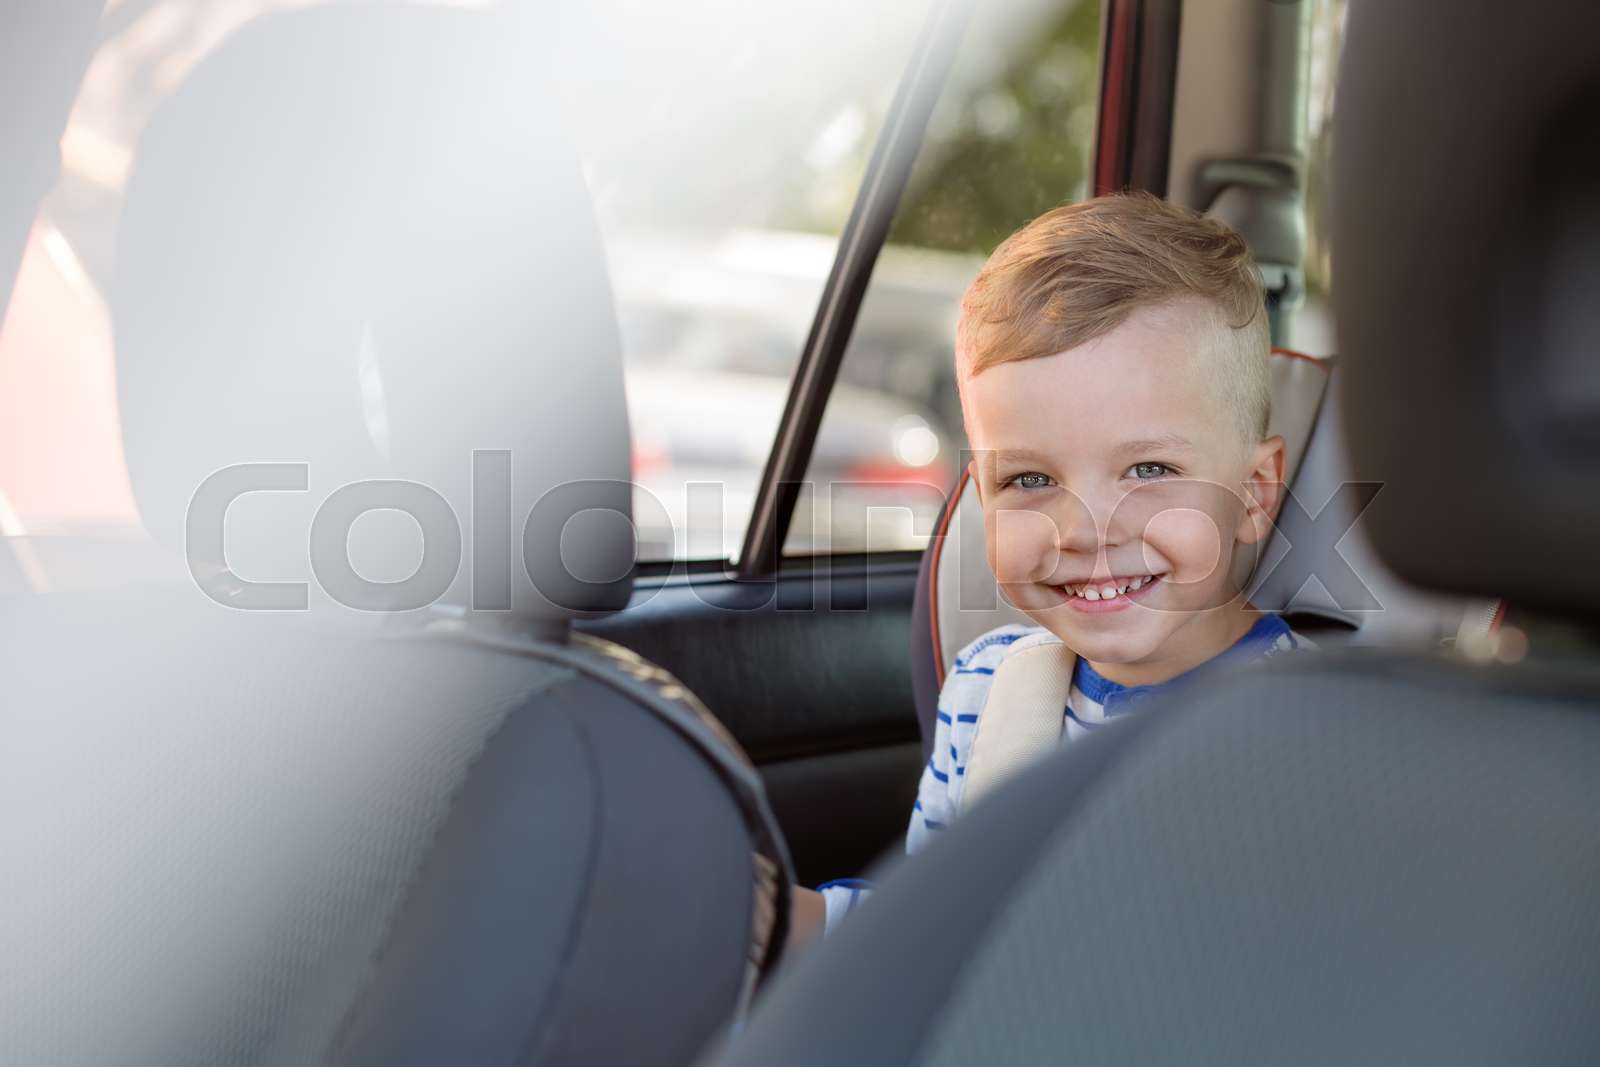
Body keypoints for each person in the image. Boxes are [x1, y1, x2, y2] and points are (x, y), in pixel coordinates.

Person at [790, 192, 1312, 945]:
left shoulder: (1312, 736)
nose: (1084, 532)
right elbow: (932, 935)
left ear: (1253, 494)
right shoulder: (986, 692)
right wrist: (771, 917)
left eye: (1149, 468)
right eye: (1029, 480)